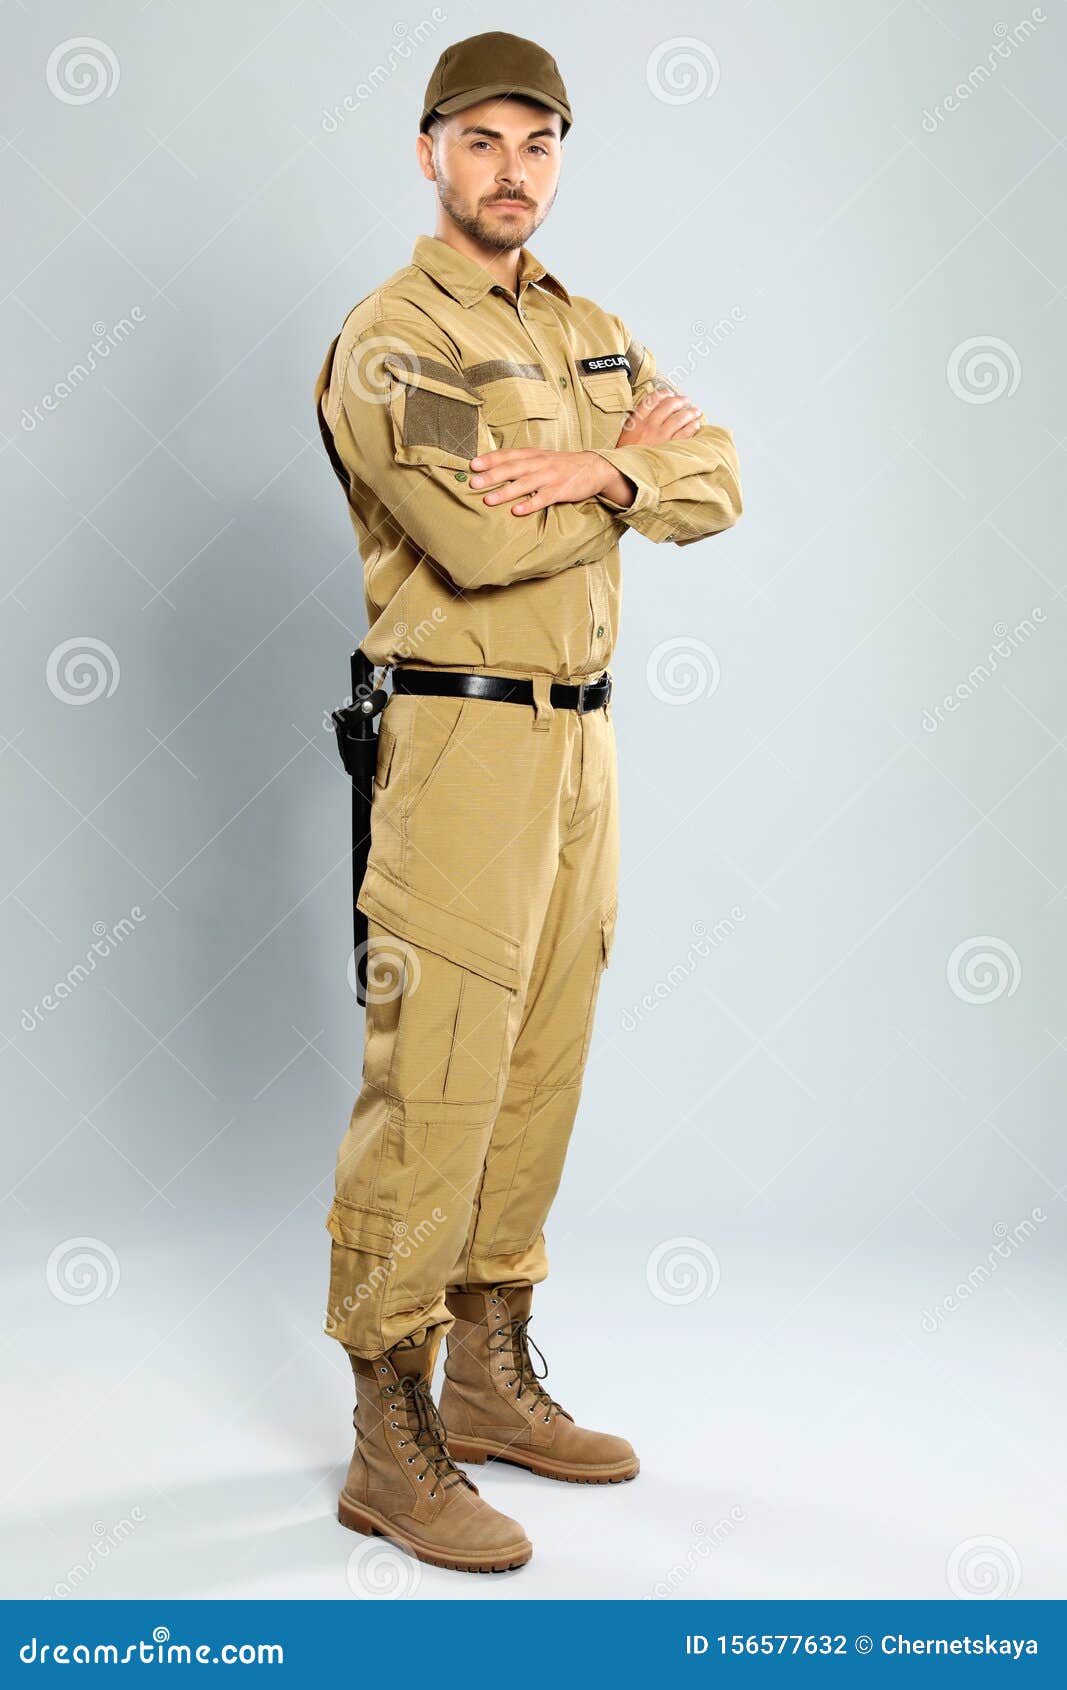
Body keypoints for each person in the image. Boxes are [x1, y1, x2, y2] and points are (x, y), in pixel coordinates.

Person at [313, 29, 742, 1574]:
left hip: (583, 747)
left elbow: (722, 477)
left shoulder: (591, 325)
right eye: (482, 140)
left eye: (539, 141)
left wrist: (595, 474)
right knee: (436, 1067)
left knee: (541, 1061)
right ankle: (389, 1428)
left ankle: (490, 1378)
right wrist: (612, 471)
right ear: (428, 150)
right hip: (459, 742)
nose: (513, 171)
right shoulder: (392, 343)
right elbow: (474, 544)